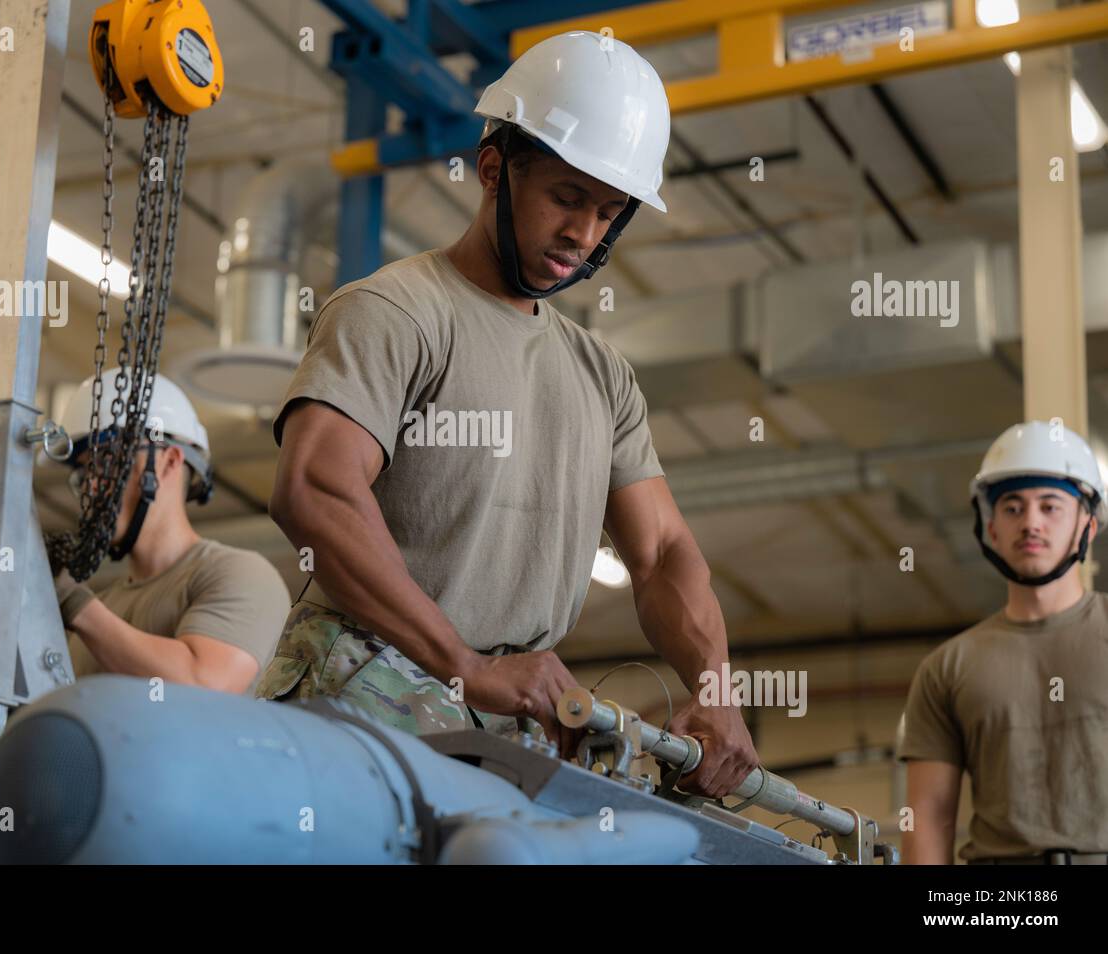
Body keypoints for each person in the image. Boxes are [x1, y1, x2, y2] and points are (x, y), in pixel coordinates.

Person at [255, 31, 758, 798]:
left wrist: (716, 689)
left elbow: (661, 556)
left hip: (512, 720)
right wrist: (465, 664)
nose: (583, 235)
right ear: (494, 170)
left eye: (607, 213)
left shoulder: (603, 377)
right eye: (565, 196)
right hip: (362, 689)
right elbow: (314, 492)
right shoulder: (393, 311)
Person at [900, 420, 1108, 864]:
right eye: (1012, 508)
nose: (1031, 523)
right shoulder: (946, 668)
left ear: (1087, 527)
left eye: (1050, 506)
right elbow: (929, 815)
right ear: (991, 529)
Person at [52, 371, 289, 694]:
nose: (92, 486)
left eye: (106, 462)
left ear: (167, 462)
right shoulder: (99, 609)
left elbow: (202, 684)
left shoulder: (241, 574)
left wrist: (76, 605)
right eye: (84, 472)